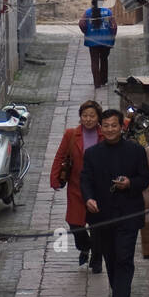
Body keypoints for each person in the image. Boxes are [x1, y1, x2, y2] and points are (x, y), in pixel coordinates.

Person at [80, 107, 149, 297]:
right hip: (102, 215)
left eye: (114, 126)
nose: (110, 129)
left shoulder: (136, 151)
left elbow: (146, 178)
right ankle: (118, 291)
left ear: (122, 127)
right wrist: (89, 198)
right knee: (110, 257)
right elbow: (85, 180)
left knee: (125, 256)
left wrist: (130, 183)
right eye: (107, 126)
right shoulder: (92, 154)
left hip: (128, 213)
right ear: (101, 128)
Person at [49, 100, 103, 267]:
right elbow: (60, 156)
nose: (88, 119)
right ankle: (85, 247)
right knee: (75, 224)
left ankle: (97, 260)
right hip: (76, 185)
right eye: (85, 116)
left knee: (97, 226)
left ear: (98, 117)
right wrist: (55, 178)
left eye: (92, 116)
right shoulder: (71, 135)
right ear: (80, 117)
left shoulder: (105, 134)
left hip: (99, 187)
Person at [78, 0, 118, 90]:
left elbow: (81, 24)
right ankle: (103, 81)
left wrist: (86, 32)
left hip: (92, 41)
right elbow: (114, 26)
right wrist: (112, 38)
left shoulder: (87, 13)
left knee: (94, 61)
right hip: (106, 40)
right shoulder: (108, 12)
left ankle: (97, 84)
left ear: (92, 3)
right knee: (104, 60)